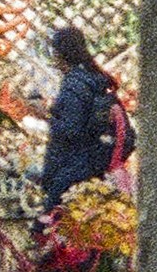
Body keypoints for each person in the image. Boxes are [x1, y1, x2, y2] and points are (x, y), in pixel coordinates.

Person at [38, 25, 123, 206]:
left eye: (54, 52)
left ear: (61, 54)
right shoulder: (93, 80)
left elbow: (71, 130)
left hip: (69, 167)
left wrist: (45, 115)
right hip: (90, 164)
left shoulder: (74, 85)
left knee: (50, 225)